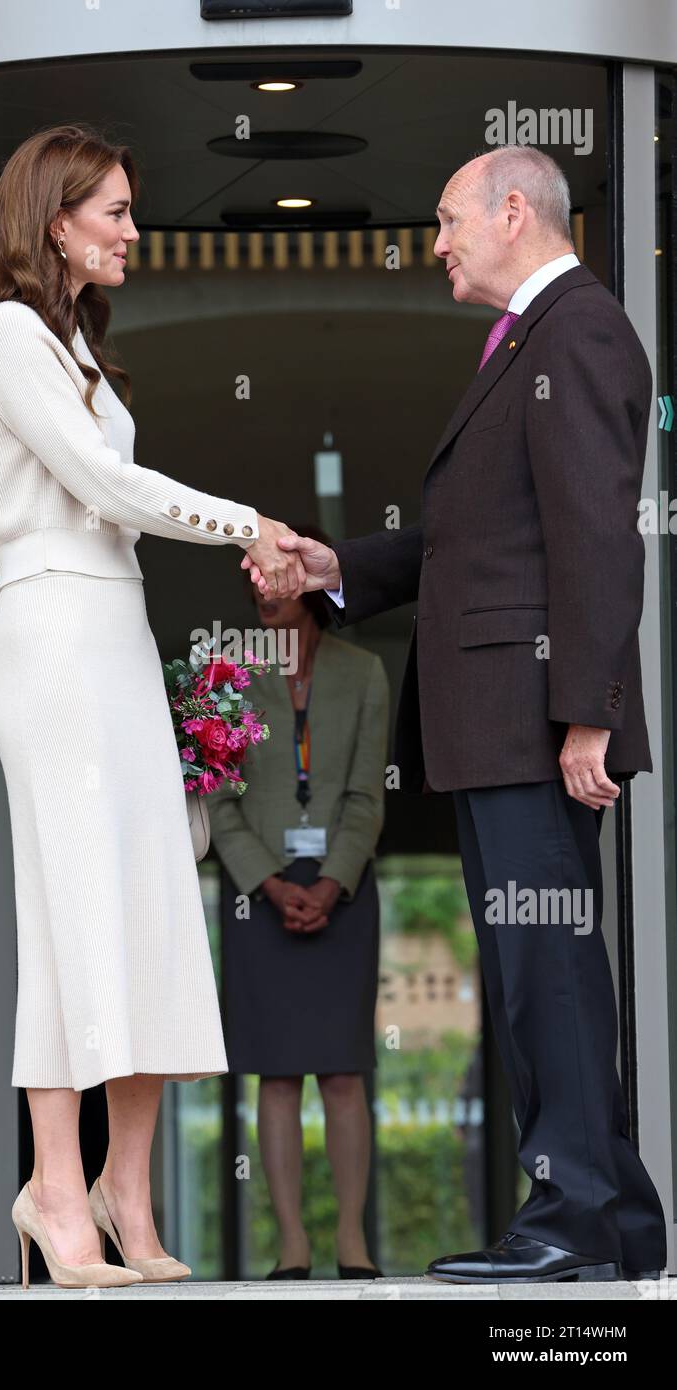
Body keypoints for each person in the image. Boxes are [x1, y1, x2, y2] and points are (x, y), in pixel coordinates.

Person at [243, 144, 667, 1284]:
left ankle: (571, 1217)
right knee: (543, 968)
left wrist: (585, 713)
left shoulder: (572, 330)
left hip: (530, 721)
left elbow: (594, 535)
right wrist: (337, 568)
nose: (431, 242)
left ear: (511, 210)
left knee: (545, 970)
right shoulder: (531, 339)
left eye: (443, 220)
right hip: (503, 723)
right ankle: (612, 1221)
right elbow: (471, 543)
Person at [0, 123, 300, 1289]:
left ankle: (124, 1198)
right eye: (116, 214)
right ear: (56, 221)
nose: (134, 233)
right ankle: (54, 1186)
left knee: (146, 909)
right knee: (73, 915)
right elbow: (100, 485)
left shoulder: (69, 342)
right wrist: (248, 523)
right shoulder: (2, 337)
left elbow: (108, 487)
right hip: (51, 640)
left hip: (114, 634)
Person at [210, 525, 388, 1279]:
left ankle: (352, 1242)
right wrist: (272, 883)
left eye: (274, 571)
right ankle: (292, 1247)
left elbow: (365, 795)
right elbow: (219, 801)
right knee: (275, 1074)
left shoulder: (366, 672)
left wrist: (329, 880)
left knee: (343, 1073)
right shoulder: (228, 680)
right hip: (262, 898)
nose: (261, 586)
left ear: (309, 582)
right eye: (252, 575)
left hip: (342, 893)